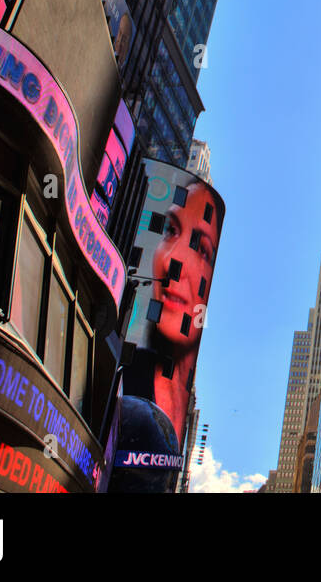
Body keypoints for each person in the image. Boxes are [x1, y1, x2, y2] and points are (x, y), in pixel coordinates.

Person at [127, 178, 222, 450]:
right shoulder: (121, 380)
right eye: (171, 231)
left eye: (201, 249)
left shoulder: (176, 410)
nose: (170, 259)